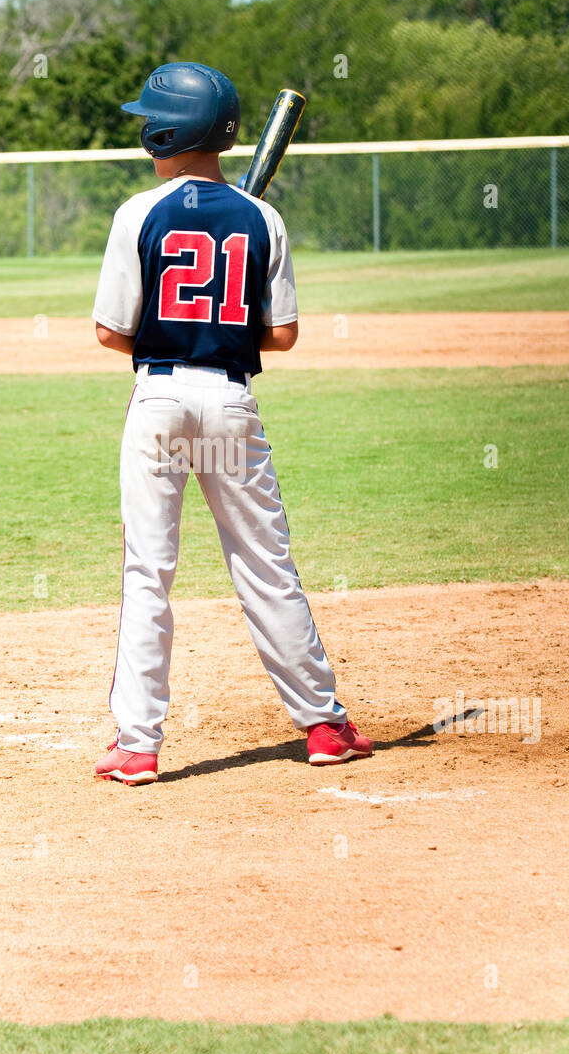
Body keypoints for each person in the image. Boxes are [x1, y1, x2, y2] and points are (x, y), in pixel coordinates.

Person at [91, 61, 372, 785]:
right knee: (263, 563)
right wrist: (225, 322)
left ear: (162, 133)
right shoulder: (261, 217)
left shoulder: (136, 213)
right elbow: (280, 337)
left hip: (156, 400)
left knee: (147, 571)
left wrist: (171, 325)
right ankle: (322, 725)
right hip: (228, 400)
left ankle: (135, 744)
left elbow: (110, 333)